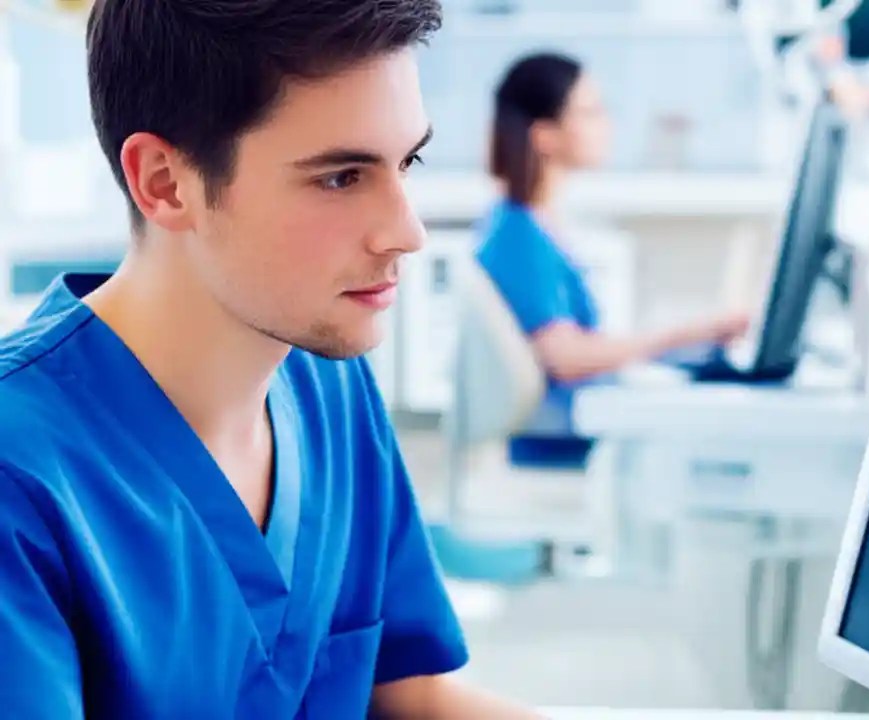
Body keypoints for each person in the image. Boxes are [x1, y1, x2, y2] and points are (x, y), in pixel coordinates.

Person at [0, 1, 541, 718]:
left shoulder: (329, 382)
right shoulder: (22, 475)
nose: (406, 231)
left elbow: (406, 695)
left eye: (407, 162)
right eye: (342, 177)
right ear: (164, 181)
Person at [476, 52, 751, 469]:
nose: (606, 125)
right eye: (590, 112)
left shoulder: (536, 226)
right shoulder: (518, 237)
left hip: (584, 432)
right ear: (545, 135)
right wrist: (685, 334)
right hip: (565, 449)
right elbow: (566, 359)